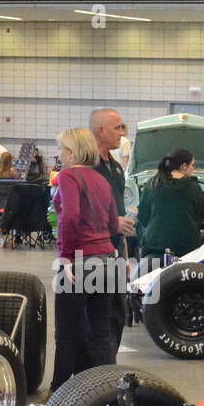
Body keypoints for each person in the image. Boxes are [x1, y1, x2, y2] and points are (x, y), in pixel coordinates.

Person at [52, 127, 120, 391]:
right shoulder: (100, 179)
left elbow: (70, 217)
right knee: (101, 331)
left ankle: (59, 393)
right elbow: (114, 224)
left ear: (70, 152)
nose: (59, 153)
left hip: (80, 261)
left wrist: (66, 255)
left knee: (66, 334)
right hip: (106, 259)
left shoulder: (68, 176)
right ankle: (109, 391)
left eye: (61, 148)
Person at [89, 108, 137, 348]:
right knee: (97, 321)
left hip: (116, 253)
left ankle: (108, 368)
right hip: (92, 256)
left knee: (117, 316)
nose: (122, 132)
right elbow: (76, 215)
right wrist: (111, 223)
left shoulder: (116, 167)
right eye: (117, 127)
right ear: (101, 130)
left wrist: (126, 256)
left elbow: (119, 213)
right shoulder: (85, 169)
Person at [136, 148, 204, 261]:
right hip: (186, 248)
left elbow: (143, 215)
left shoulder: (152, 183)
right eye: (193, 165)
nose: (194, 169)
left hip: (154, 246)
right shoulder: (194, 188)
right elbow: (200, 217)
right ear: (184, 166)